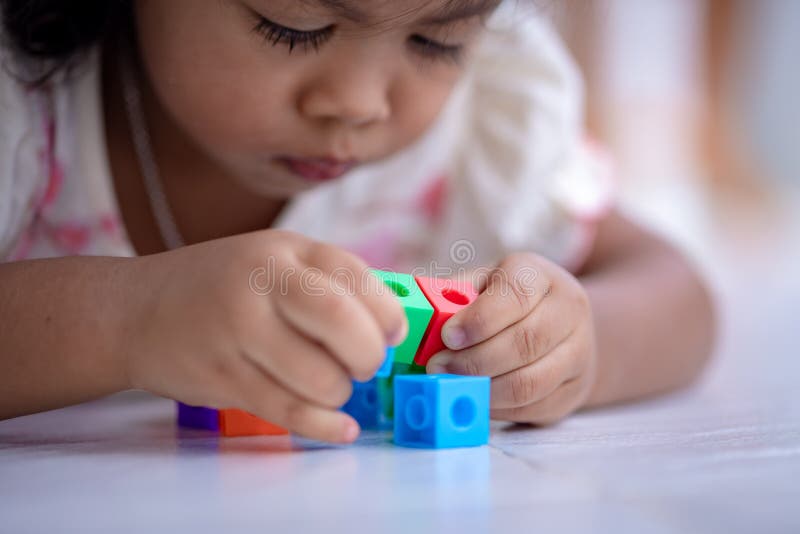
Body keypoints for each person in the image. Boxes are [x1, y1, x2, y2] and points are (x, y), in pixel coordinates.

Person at [0, 0, 715, 444]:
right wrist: (127, 320)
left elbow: (676, 289)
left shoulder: (476, 137)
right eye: (291, 27)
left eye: (439, 40)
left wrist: (573, 348)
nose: (360, 103)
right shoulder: (22, 116)